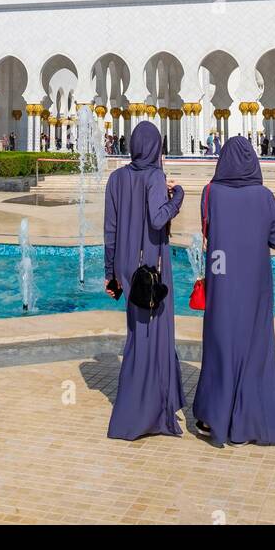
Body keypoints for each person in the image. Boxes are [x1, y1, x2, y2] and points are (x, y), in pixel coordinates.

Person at [193, 135, 275, 446]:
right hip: (254, 284)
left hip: (221, 281)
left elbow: (207, 235)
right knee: (254, 346)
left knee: (221, 345)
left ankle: (215, 416)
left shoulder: (210, 193)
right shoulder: (264, 196)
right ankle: (253, 419)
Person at [103, 122, 186, 440]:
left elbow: (110, 230)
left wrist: (110, 274)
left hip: (127, 270)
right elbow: (158, 217)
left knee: (139, 333)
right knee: (152, 338)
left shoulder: (116, 178)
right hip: (151, 270)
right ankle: (139, 411)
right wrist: (177, 195)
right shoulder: (154, 176)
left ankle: (166, 396)